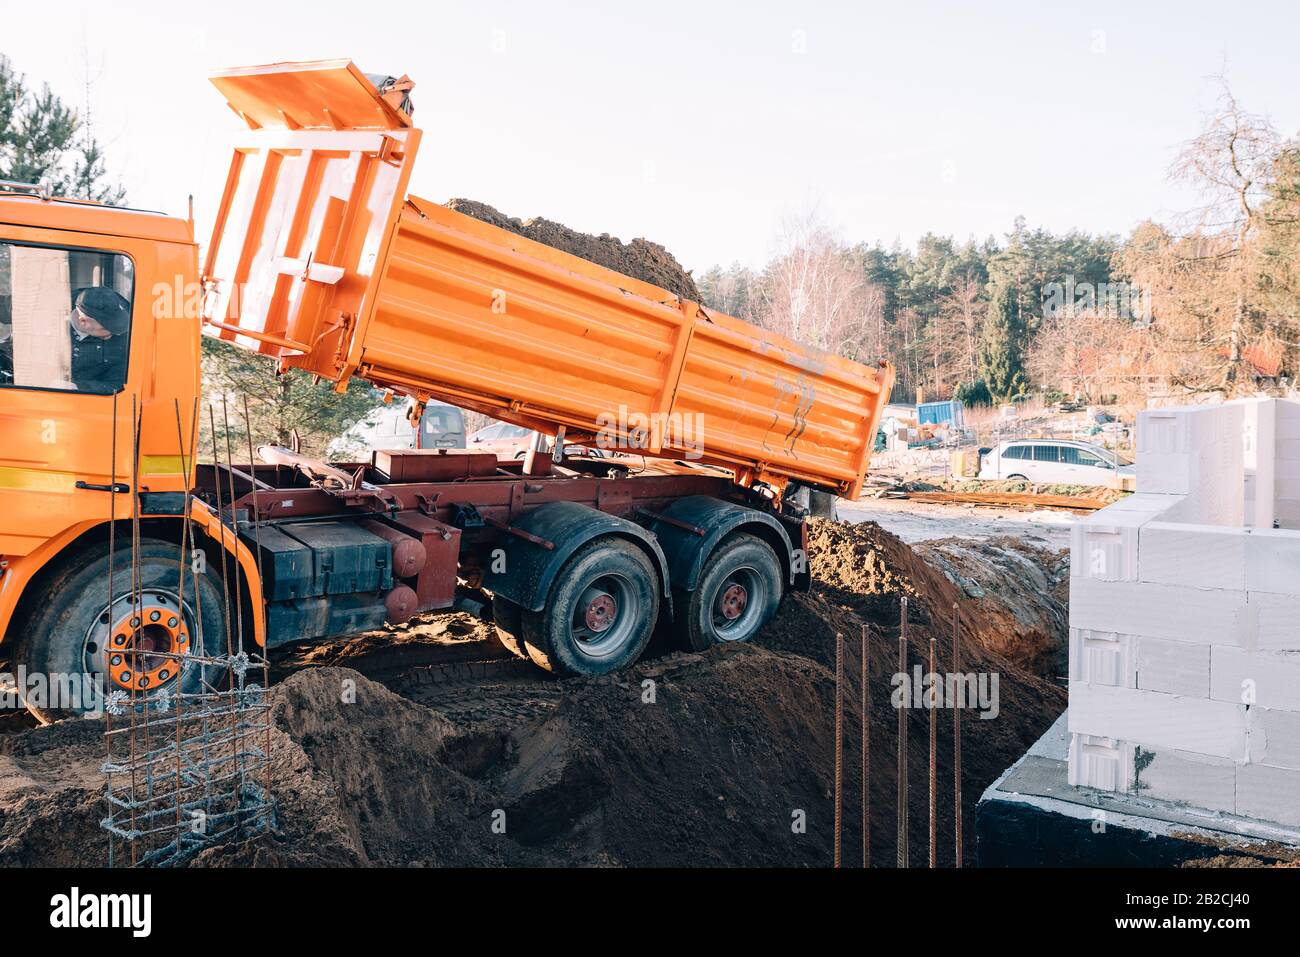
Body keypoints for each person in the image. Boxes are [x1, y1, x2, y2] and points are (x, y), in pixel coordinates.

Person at [68, 287, 130, 393]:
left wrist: (78, 387)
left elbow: (118, 383)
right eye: (106, 328)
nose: (117, 333)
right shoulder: (49, 323)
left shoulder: (122, 332)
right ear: (83, 321)